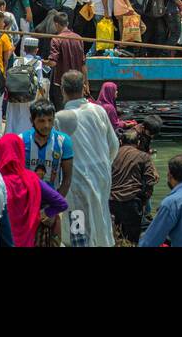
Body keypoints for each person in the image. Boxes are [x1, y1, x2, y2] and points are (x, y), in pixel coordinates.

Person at [52, 70, 120, 247]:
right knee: (101, 220)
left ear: (63, 91)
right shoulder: (98, 111)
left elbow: (54, 157)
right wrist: (102, 166)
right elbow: (114, 146)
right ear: (83, 88)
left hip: (75, 182)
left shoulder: (60, 118)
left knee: (78, 231)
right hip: (102, 177)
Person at [109, 125, 158, 244]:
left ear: (121, 141)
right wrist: (144, 202)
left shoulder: (111, 155)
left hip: (111, 202)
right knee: (132, 240)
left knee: (116, 238)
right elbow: (150, 181)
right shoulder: (143, 156)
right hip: (132, 202)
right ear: (138, 142)